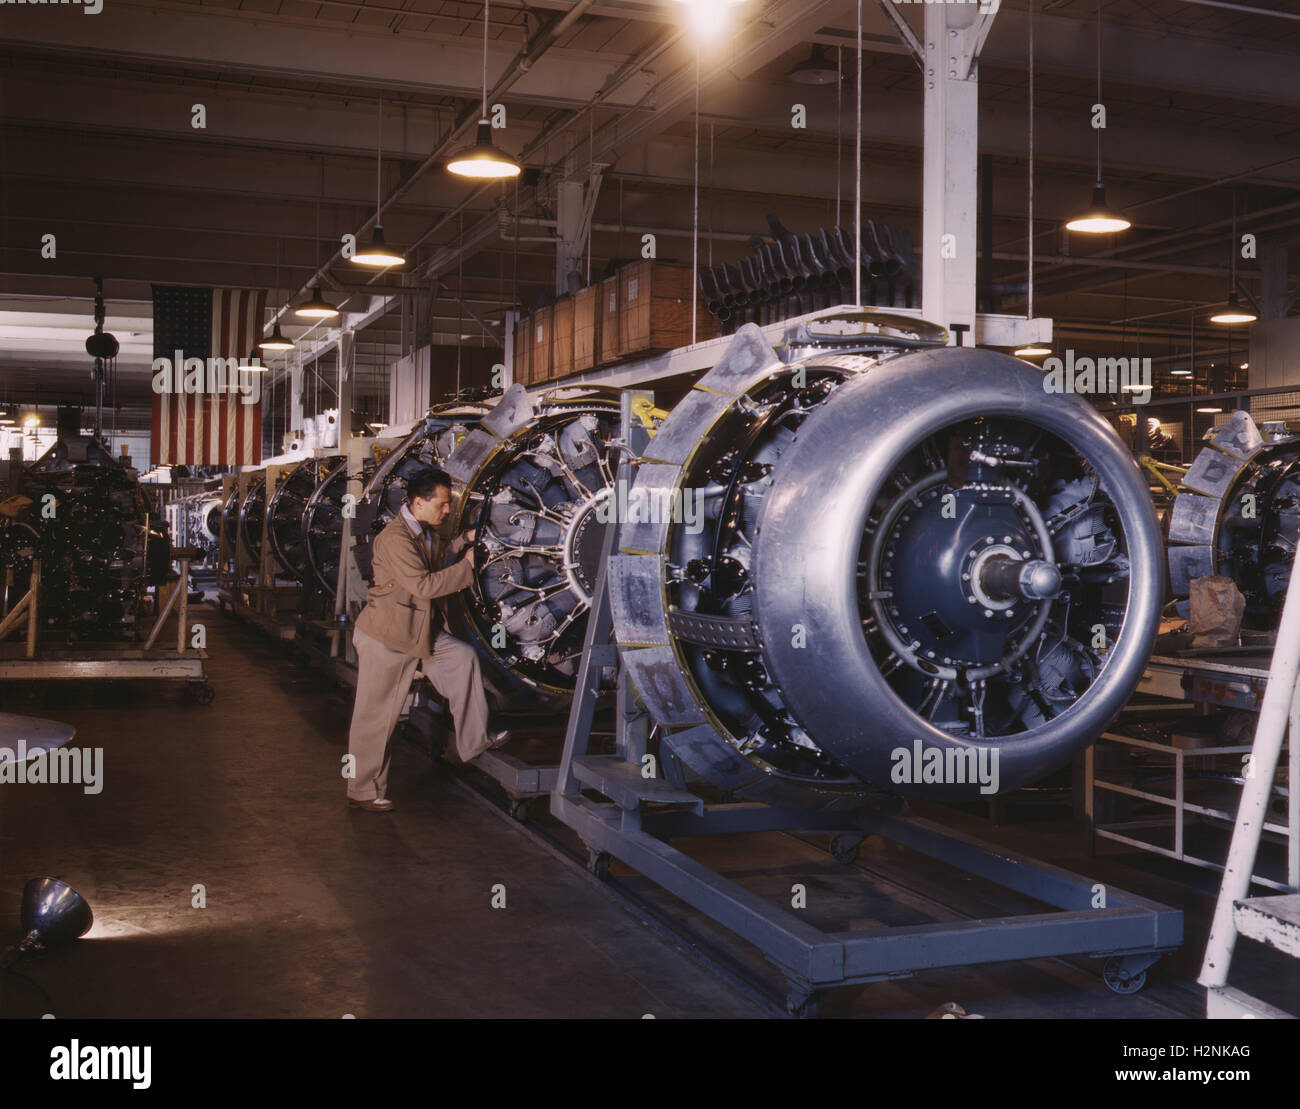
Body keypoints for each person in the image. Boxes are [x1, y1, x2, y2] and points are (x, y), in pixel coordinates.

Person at [345, 467, 506, 812]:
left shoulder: (424, 531)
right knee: (377, 717)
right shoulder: (394, 539)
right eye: (443, 505)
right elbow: (424, 585)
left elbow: (438, 559)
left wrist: (464, 541)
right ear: (419, 502)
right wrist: (468, 564)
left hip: (419, 630)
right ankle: (362, 790)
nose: (447, 511)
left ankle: (473, 742)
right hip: (388, 637)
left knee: (462, 659)